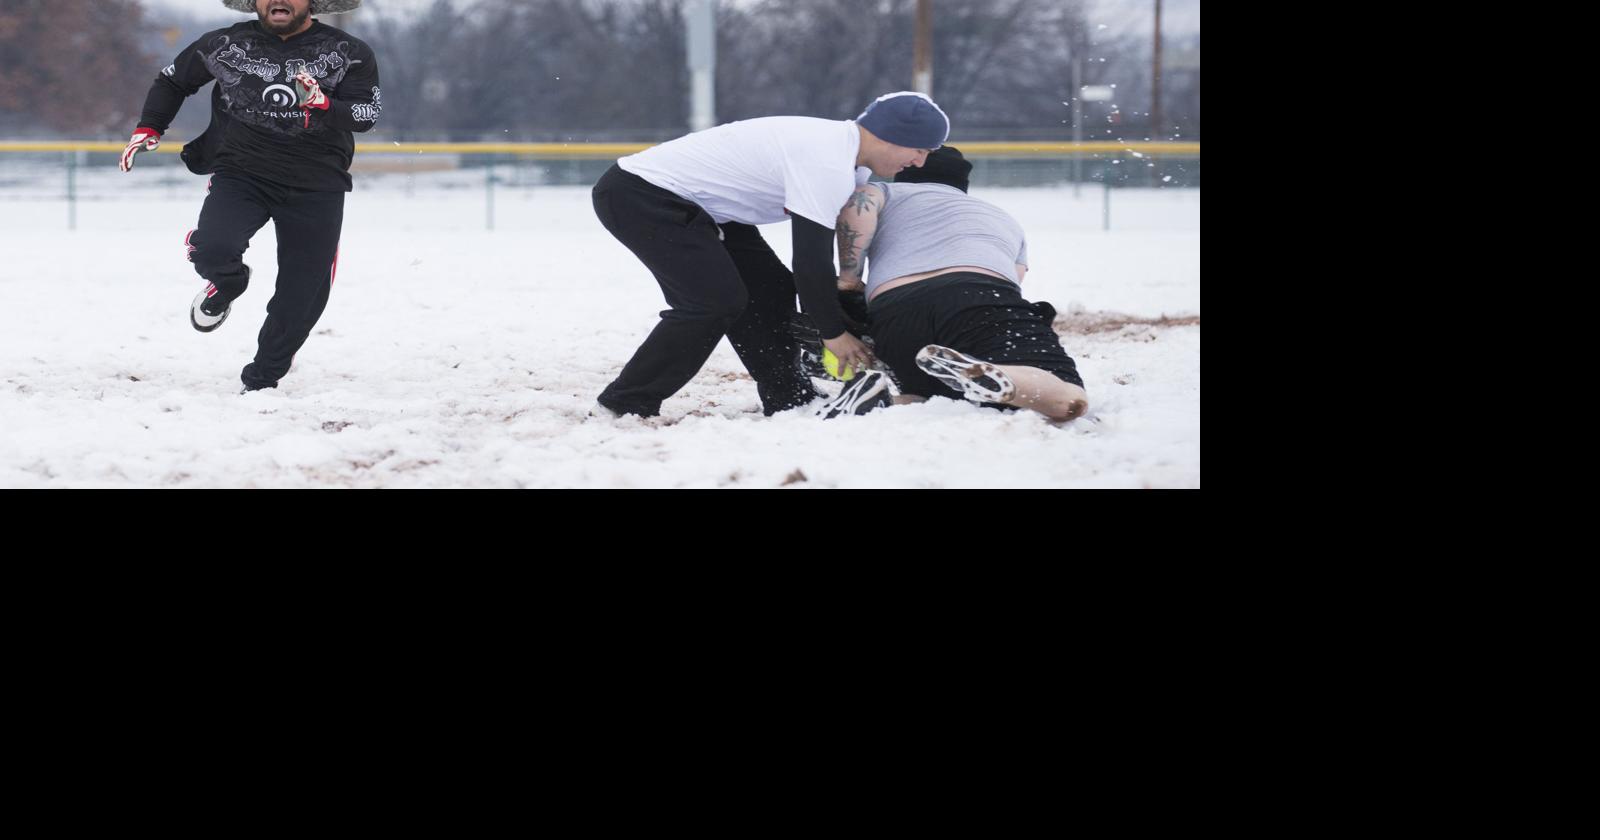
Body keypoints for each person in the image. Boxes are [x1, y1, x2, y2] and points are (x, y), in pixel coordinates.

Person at [589, 92, 949, 418]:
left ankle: (789, 397)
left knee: (770, 289)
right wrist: (833, 333)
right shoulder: (826, 161)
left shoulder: (851, 160)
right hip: (641, 195)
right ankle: (625, 403)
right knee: (713, 302)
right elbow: (810, 259)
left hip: (706, 208)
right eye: (919, 150)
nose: (919, 162)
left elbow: (825, 255)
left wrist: (840, 300)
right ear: (891, 136)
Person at [118, 0, 381, 392]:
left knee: (302, 293)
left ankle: (262, 379)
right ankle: (227, 283)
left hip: (317, 183)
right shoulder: (224, 44)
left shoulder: (350, 52)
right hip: (242, 172)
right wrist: (150, 126)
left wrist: (323, 104)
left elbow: (366, 114)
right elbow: (173, 81)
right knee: (213, 248)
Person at [816, 147, 1089, 422]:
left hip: (895, 313)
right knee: (1068, 396)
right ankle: (995, 373)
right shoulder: (998, 216)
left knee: (937, 398)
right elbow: (1014, 280)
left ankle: (882, 403)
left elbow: (857, 207)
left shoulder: (885, 192)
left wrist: (849, 280)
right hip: (978, 296)